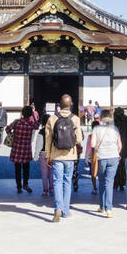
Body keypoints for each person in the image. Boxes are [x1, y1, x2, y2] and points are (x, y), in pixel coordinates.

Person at [43, 94, 83, 222]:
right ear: (71, 104)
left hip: (56, 155)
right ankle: (65, 210)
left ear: (59, 104)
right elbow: (79, 139)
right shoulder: (75, 119)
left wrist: (48, 156)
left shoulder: (52, 119)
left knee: (57, 182)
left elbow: (48, 139)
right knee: (67, 182)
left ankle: (58, 208)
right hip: (70, 155)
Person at [89, 109, 122, 216]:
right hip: (113, 157)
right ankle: (108, 208)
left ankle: (103, 206)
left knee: (102, 181)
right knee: (109, 182)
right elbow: (120, 146)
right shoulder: (115, 129)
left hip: (101, 157)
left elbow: (93, 144)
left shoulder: (96, 129)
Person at [6, 106, 39, 194]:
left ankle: (19, 187)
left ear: (22, 113)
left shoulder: (17, 122)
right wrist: (34, 117)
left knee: (17, 169)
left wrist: (13, 135)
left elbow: (7, 129)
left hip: (16, 149)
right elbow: (37, 126)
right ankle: (25, 183)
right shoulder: (31, 123)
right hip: (26, 149)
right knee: (26, 168)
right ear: (30, 114)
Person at [112, 106, 127, 191]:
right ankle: (122, 183)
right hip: (125, 145)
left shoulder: (114, 123)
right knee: (123, 166)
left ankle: (116, 182)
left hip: (116, 145)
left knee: (116, 165)